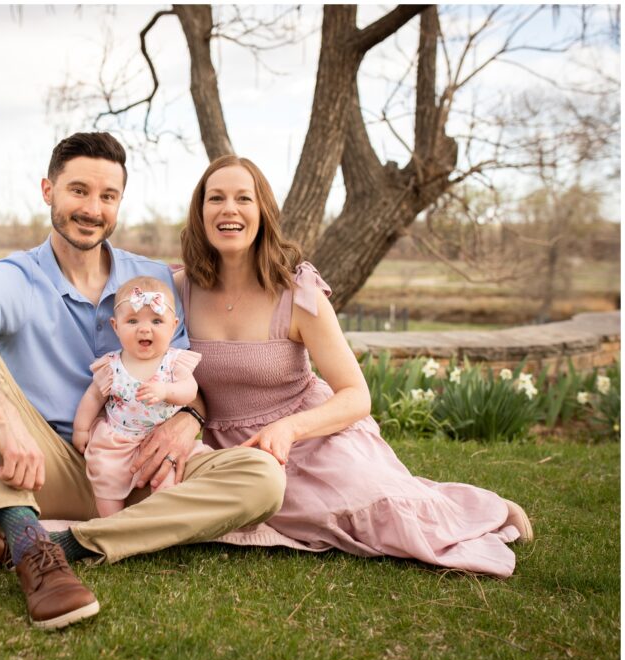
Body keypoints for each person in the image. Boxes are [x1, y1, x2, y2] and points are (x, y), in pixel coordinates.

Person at [0, 134, 285, 630]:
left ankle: (58, 542)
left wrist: (186, 420)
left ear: (120, 202)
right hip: (44, 467)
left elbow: (187, 373)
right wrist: (5, 422)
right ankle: (28, 543)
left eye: (107, 196)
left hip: (148, 464)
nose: (92, 208)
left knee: (262, 477)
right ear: (48, 190)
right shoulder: (19, 276)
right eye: (78, 191)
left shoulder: (151, 281)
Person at [173, 154, 533, 578]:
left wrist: (289, 429)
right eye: (215, 198)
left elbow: (356, 395)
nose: (228, 209)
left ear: (263, 213)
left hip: (309, 436)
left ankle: (479, 509)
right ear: (200, 213)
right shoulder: (180, 289)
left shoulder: (299, 294)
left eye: (243, 199)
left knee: (369, 515)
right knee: (260, 509)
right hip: (226, 447)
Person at [72, 276, 211, 516]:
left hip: (160, 440)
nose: (144, 328)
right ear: (116, 327)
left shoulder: (173, 362)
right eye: (133, 320)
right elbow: (93, 397)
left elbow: (190, 390)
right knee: (106, 476)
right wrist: (81, 429)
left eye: (157, 321)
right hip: (117, 440)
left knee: (167, 479)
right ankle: (111, 521)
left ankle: (157, 521)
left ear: (173, 325)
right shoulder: (111, 366)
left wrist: (167, 391)